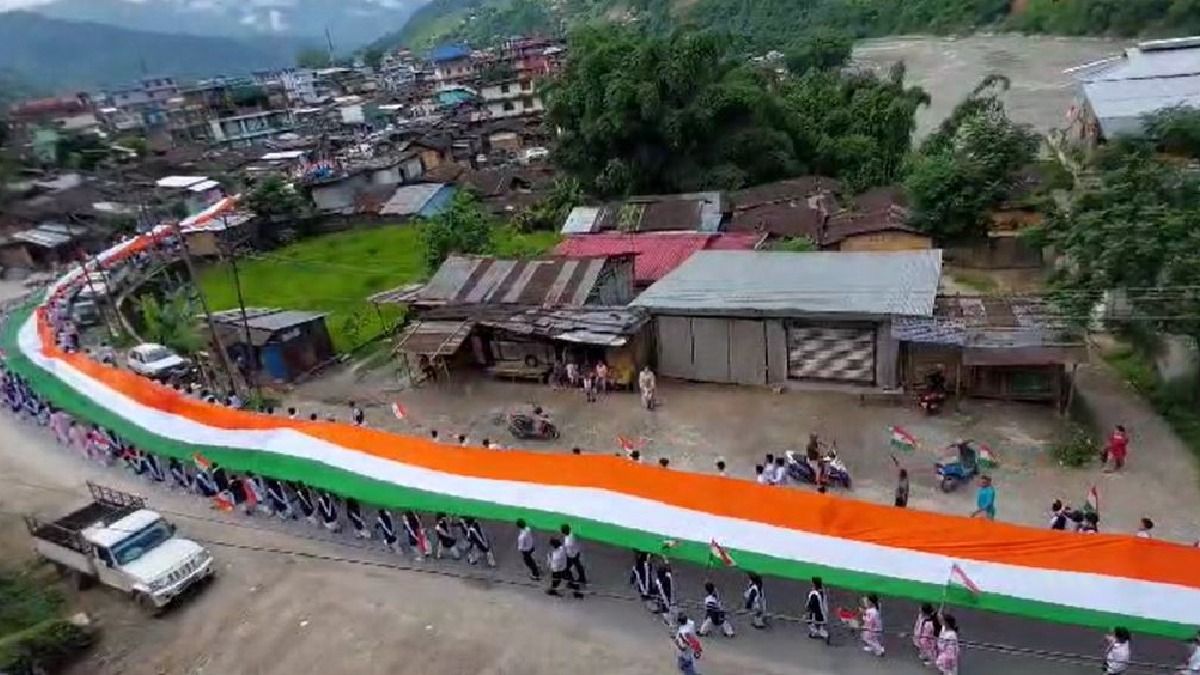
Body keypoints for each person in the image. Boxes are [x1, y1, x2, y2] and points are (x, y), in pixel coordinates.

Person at [655, 560, 676, 625]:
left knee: (667, 611)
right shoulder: (668, 577)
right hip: (672, 599)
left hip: (666, 602)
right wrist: (666, 560)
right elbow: (669, 569)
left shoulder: (659, 582)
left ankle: (670, 622)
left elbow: (658, 593)